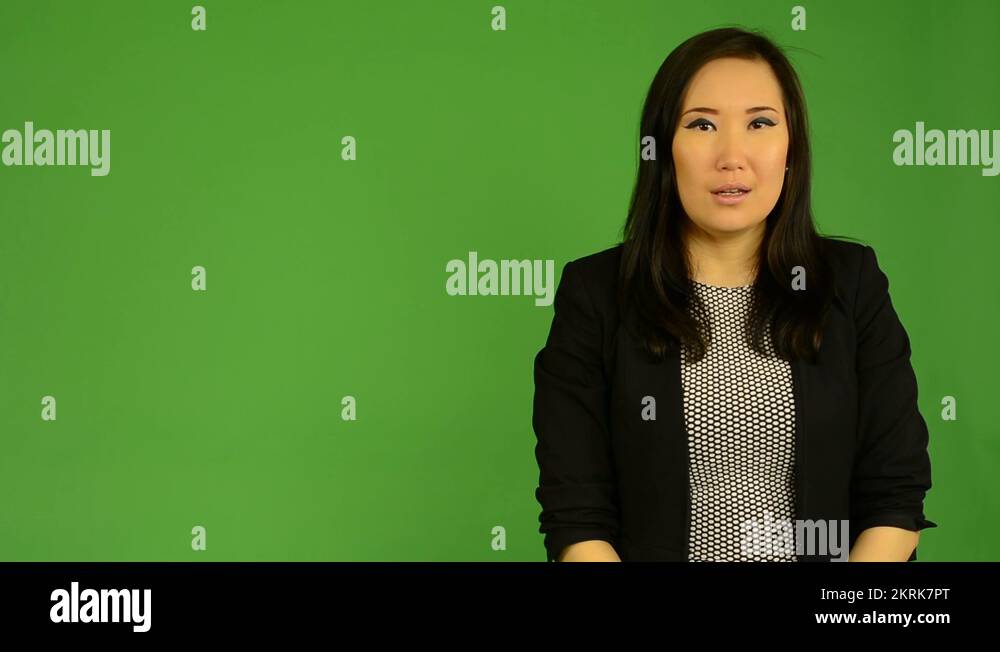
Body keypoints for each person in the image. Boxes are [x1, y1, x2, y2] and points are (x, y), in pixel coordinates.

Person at [532, 27, 936, 562]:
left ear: (791, 149)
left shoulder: (851, 282)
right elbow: (578, 516)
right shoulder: (597, 294)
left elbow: (894, 498)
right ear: (660, 149)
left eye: (760, 123)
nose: (732, 156)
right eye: (702, 124)